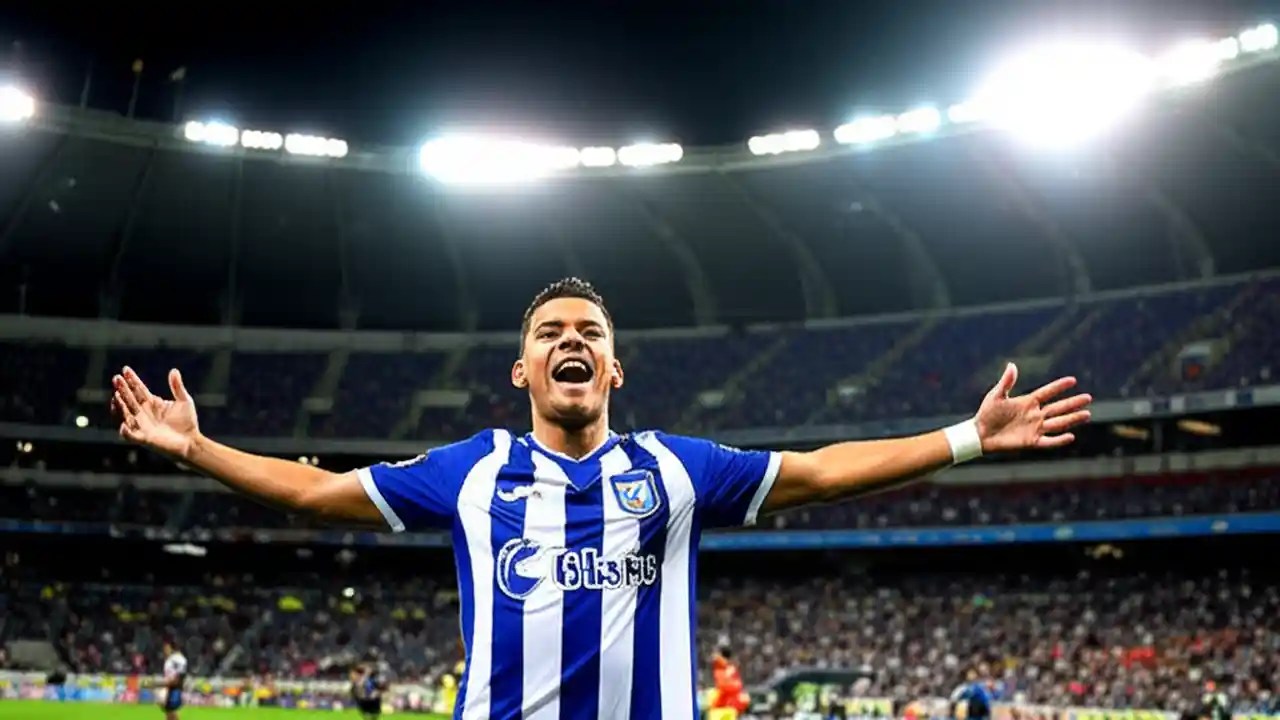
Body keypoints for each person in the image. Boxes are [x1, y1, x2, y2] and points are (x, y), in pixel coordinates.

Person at [109, 277, 1091, 720]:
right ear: (521, 370)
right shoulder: (472, 470)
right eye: (549, 332)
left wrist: (969, 437)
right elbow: (319, 493)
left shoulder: (676, 469)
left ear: (614, 369)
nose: (569, 339)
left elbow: (821, 470)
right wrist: (196, 447)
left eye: (588, 331)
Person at [158, 640, 187, 720]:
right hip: (169, 686)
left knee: (171, 710)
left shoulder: (178, 660)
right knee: (168, 710)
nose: (165, 650)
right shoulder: (168, 661)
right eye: (164, 649)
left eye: (167, 648)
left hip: (175, 687)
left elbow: (180, 675)